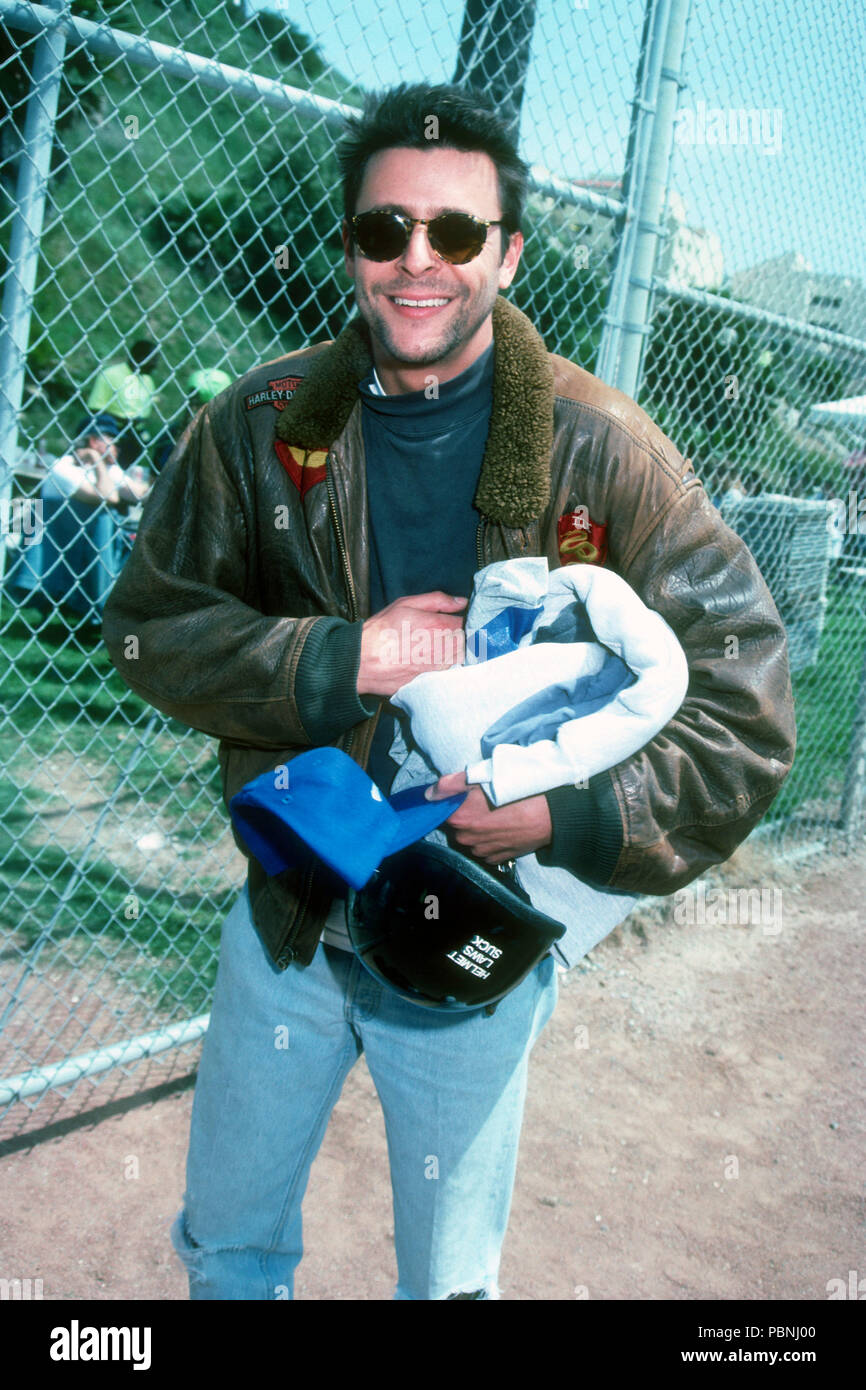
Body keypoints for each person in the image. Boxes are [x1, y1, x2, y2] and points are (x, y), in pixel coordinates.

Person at [101, 82, 796, 1300]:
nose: (417, 262)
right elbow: (151, 632)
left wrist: (558, 815)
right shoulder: (258, 426)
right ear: (351, 246)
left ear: (508, 252)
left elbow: (745, 714)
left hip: (477, 929)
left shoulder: (605, 450)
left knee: (448, 1288)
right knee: (228, 1249)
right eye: (385, 231)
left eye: (456, 233)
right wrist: (343, 659)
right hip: (289, 916)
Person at [11, 414, 148, 620]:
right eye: (113, 442)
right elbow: (109, 497)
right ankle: (104, 606)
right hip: (59, 544)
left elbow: (141, 494)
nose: (117, 449)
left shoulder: (109, 469)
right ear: (94, 441)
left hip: (85, 545)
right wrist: (96, 460)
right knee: (104, 515)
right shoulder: (63, 467)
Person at [85, 339, 160, 467]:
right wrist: (122, 420)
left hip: (135, 434)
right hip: (112, 430)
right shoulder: (111, 374)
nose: (155, 365)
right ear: (140, 358)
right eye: (152, 360)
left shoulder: (148, 381)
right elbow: (95, 408)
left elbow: (145, 412)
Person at [150, 367, 233, 473]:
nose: (193, 409)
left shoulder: (229, 441)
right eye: (192, 403)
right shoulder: (173, 434)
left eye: (199, 404)